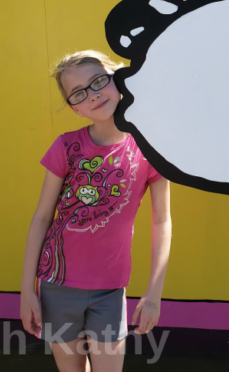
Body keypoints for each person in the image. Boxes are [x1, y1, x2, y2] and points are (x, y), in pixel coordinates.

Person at [20, 50, 171, 372]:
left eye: (98, 81)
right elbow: (42, 217)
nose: (93, 94)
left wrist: (154, 292)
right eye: (79, 92)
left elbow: (162, 220)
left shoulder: (151, 149)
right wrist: (27, 291)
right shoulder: (66, 147)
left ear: (117, 79)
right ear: (74, 107)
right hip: (56, 285)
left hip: (109, 290)